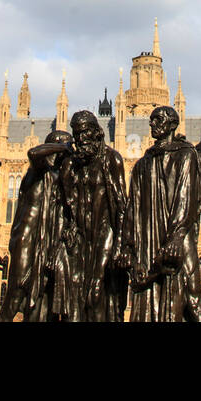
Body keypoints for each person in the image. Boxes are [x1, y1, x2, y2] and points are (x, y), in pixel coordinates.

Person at [119, 105, 201, 321]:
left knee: (188, 299)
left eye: (157, 119)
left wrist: (177, 236)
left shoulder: (187, 156)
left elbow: (186, 198)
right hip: (149, 242)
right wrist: (127, 246)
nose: (151, 123)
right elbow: (132, 208)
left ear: (172, 125)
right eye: (151, 120)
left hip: (175, 241)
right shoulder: (143, 164)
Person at [57, 110, 128, 321]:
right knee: (75, 297)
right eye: (76, 134)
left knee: (96, 292)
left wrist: (121, 244)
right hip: (79, 238)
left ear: (96, 132)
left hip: (105, 236)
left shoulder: (112, 160)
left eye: (84, 133)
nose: (80, 139)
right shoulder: (72, 164)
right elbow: (65, 203)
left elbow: (121, 205)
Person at [1, 130, 72, 321]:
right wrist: (63, 147)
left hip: (48, 240)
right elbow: (33, 153)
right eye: (67, 145)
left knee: (42, 296)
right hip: (27, 237)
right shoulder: (39, 169)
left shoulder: (61, 174)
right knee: (17, 288)